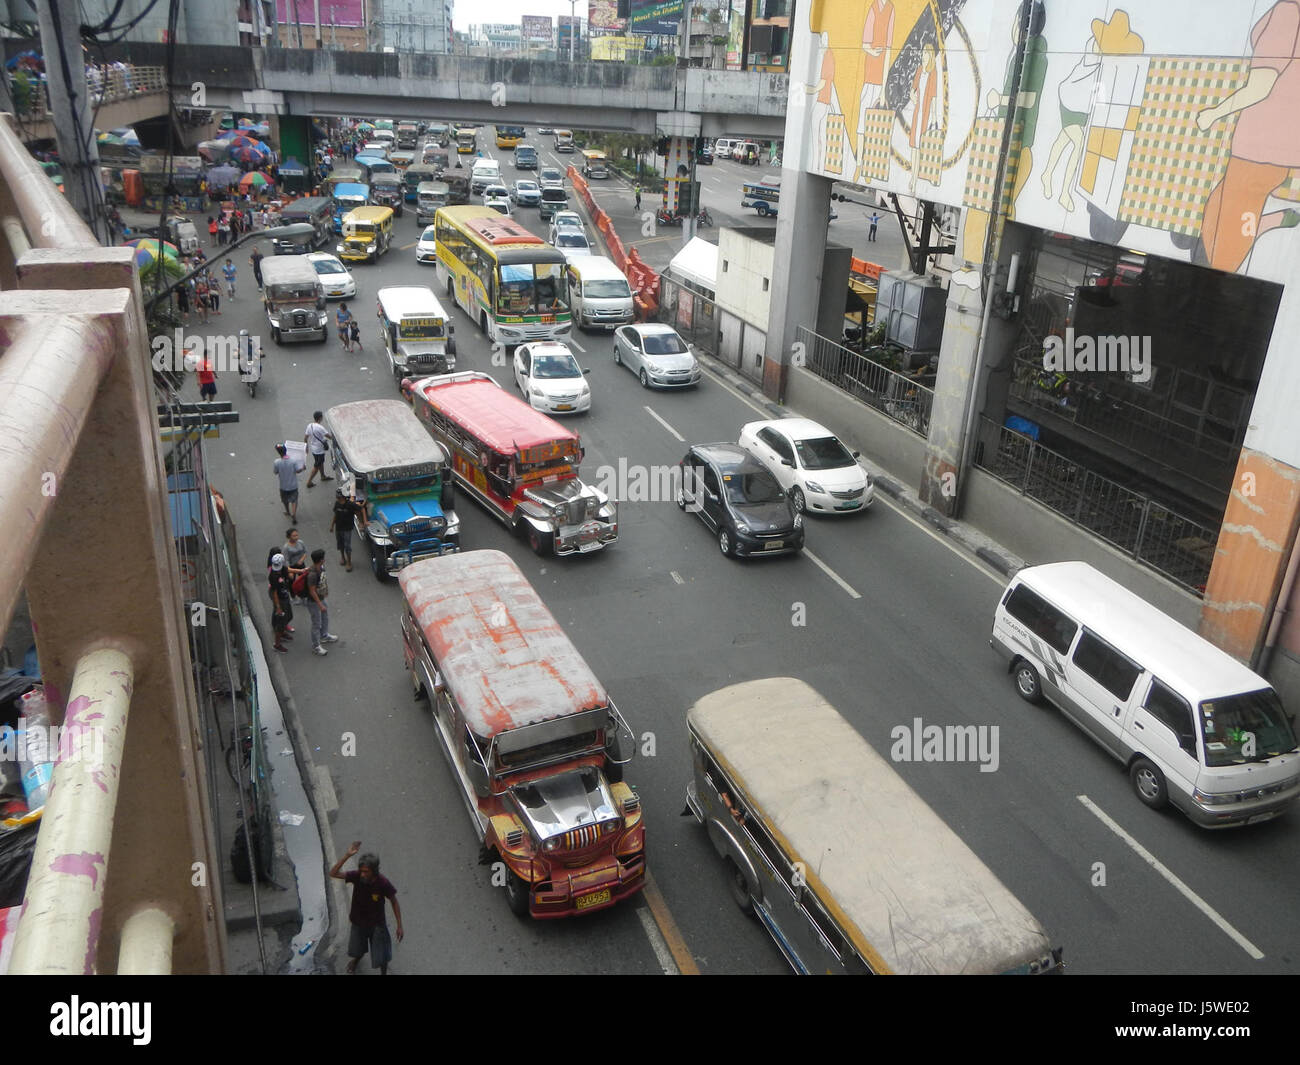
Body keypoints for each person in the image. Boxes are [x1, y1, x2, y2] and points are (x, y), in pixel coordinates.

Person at [329, 842, 403, 975]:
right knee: (357, 949)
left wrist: (399, 925)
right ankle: (355, 961)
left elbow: (394, 902)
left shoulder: (383, 883)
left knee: (382, 956)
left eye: (366, 872)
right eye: (361, 871)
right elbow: (333, 873)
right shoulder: (356, 876)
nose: (362, 874)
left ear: (374, 871)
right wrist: (347, 855)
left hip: (377, 925)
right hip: (358, 922)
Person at [305, 548, 338, 655]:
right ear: (321, 560)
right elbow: (312, 591)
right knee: (316, 623)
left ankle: (324, 635)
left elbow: (323, 581)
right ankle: (316, 646)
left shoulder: (321, 568)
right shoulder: (313, 574)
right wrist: (319, 604)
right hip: (314, 601)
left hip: (321, 598)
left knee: (325, 616)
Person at [329, 487, 366, 571]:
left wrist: (361, 522)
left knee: (347, 545)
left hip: (347, 528)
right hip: (338, 527)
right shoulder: (337, 504)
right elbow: (335, 515)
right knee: (340, 544)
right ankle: (343, 557)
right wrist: (332, 526)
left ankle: (349, 562)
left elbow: (359, 511)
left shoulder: (350, 504)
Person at [268, 553, 294, 653]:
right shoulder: (273, 576)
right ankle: (277, 644)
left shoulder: (282, 569)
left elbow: (288, 570)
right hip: (280, 600)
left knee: (289, 616)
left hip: (284, 596)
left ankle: (282, 632)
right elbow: (274, 593)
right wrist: (278, 607)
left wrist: (301, 570)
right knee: (281, 622)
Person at [304, 411, 333, 489]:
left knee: (320, 463)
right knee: (316, 466)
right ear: (320, 418)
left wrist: (306, 447)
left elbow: (305, 437)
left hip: (313, 449)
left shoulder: (309, 425)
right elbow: (329, 436)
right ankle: (309, 482)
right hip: (319, 450)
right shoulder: (320, 427)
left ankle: (323, 476)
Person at [273, 443, 301, 521]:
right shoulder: (293, 461)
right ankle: (293, 513)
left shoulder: (277, 462)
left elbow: (275, 472)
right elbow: (298, 471)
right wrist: (302, 468)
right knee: (294, 500)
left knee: (285, 500)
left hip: (283, 486)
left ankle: (287, 511)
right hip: (293, 485)